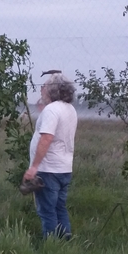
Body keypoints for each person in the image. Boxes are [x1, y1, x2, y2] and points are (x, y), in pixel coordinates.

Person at [23, 72, 78, 239]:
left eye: (44, 87)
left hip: (48, 169)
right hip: (64, 168)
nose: (42, 90)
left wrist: (34, 167)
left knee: (47, 210)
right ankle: (65, 242)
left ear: (53, 91)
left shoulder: (52, 110)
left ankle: (51, 245)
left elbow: (47, 138)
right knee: (59, 207)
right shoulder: (70, 109)